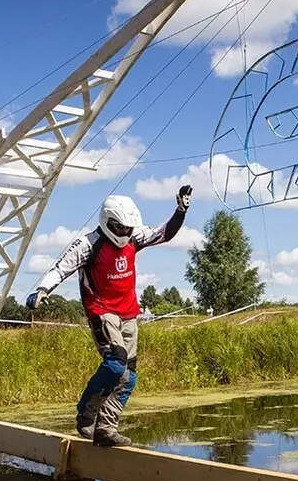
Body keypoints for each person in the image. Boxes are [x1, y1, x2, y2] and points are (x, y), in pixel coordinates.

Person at [26, 185, 192, 446]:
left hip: (128, 313)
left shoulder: (135, 237)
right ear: (108, 222)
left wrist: (180, 211)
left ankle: (106, 428)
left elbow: (164, 234)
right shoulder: (88, 244)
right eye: (120, 228)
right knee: (116, 363)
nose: (125, 233)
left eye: (128, 228)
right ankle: (86, 413)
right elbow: (61, 268)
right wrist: (42, 289)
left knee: (129, 375)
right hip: (102, 311)